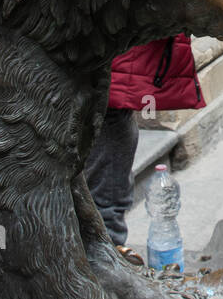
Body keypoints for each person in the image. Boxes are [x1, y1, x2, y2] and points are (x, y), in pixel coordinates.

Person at [84, 35, 203, 252]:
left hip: (110, 76)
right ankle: (105, 265)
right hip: (108, 77)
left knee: (105, 197)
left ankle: (106, 258)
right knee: (105, 203)